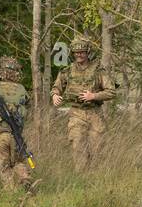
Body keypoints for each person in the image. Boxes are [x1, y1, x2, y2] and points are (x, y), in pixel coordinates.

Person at [51, 36, 118, 171]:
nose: (79, 55)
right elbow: (56, 87)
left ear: (88, 53)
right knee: (78, 147)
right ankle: (81, 179)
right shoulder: (67, 70)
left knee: (97, 149)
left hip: (95, 114)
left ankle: (94, 180)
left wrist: (93, 96)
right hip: (76, 114)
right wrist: (54, 95)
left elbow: (111, 92)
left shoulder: (99, 71)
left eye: (82, 52)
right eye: (76, 52)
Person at [0, 56, 34, 192]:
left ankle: (11, 192)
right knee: (18, 162)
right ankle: (25, 178)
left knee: (2, 164)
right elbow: (28, 106)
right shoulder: (22, 89)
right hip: (16, 134)